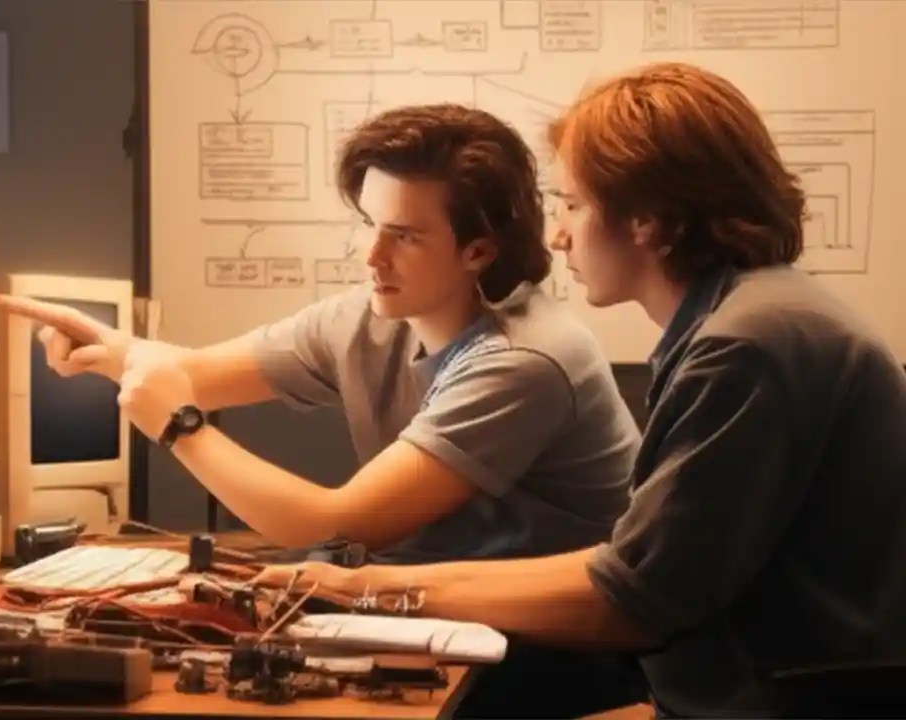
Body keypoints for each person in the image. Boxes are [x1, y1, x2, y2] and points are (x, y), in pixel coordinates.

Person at [254, 62, 906, 717]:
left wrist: (363, 588)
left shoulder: (748, 346)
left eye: (571, 204)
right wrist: (363, 584)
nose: (555, 234)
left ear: (648, 219)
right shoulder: (758, 316)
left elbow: (629, 604)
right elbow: (631, 570)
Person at [0, 103, 639, 567]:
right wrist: (102, 349)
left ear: (479, 250)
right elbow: (194, 371)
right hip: (433, 606)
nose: (370, 256)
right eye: (369, 223)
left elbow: (335, 523)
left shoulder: (521, 361)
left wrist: (180, 429)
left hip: (545, 653)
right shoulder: (371, 315)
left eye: (405, 237)